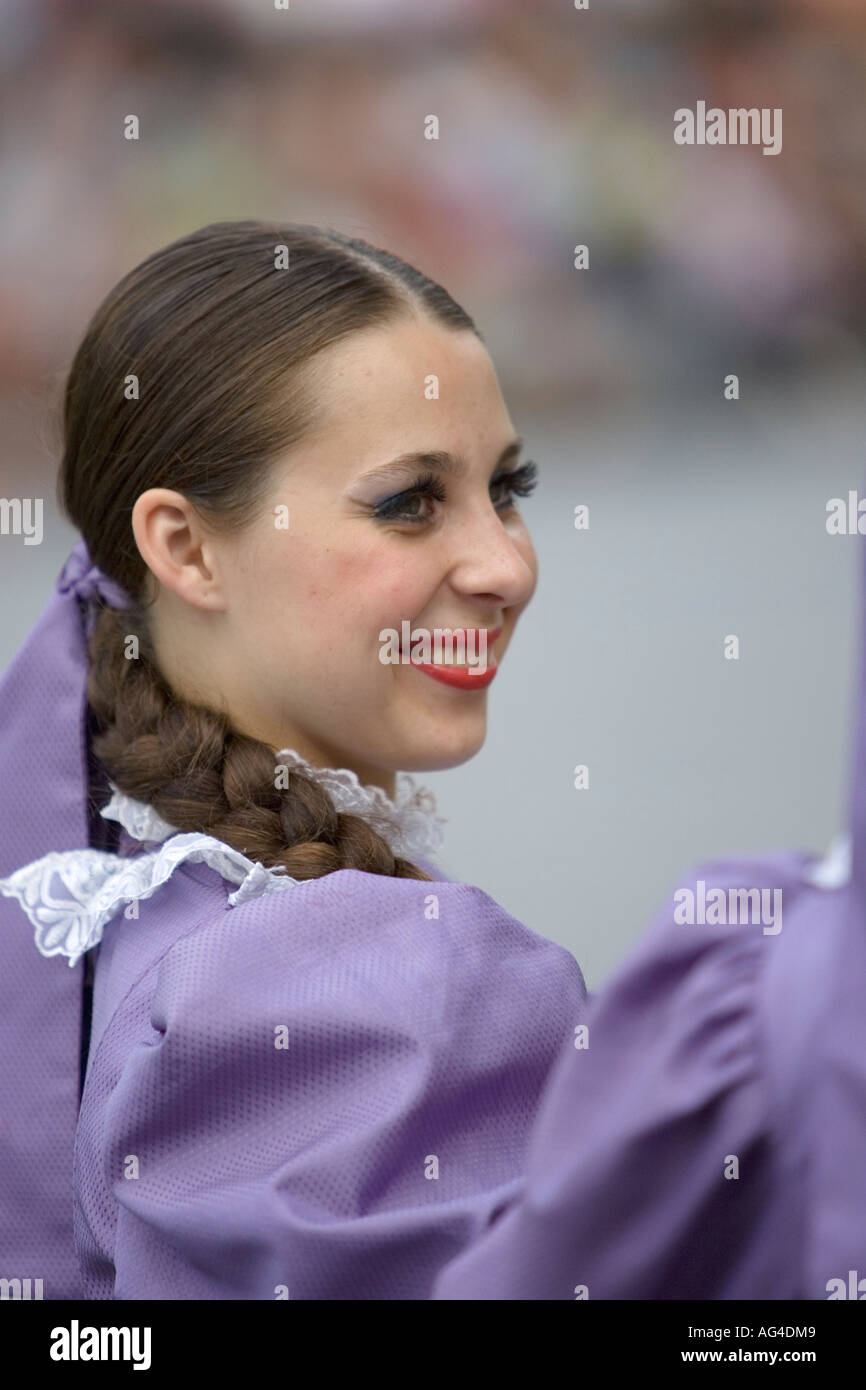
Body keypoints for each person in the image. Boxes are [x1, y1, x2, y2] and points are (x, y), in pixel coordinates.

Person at [1, 220, 861, 1302]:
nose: (504, 564)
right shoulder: (332, 990)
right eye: (409, 502)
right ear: (184, 547)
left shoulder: (105, 903)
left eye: (509, 487)